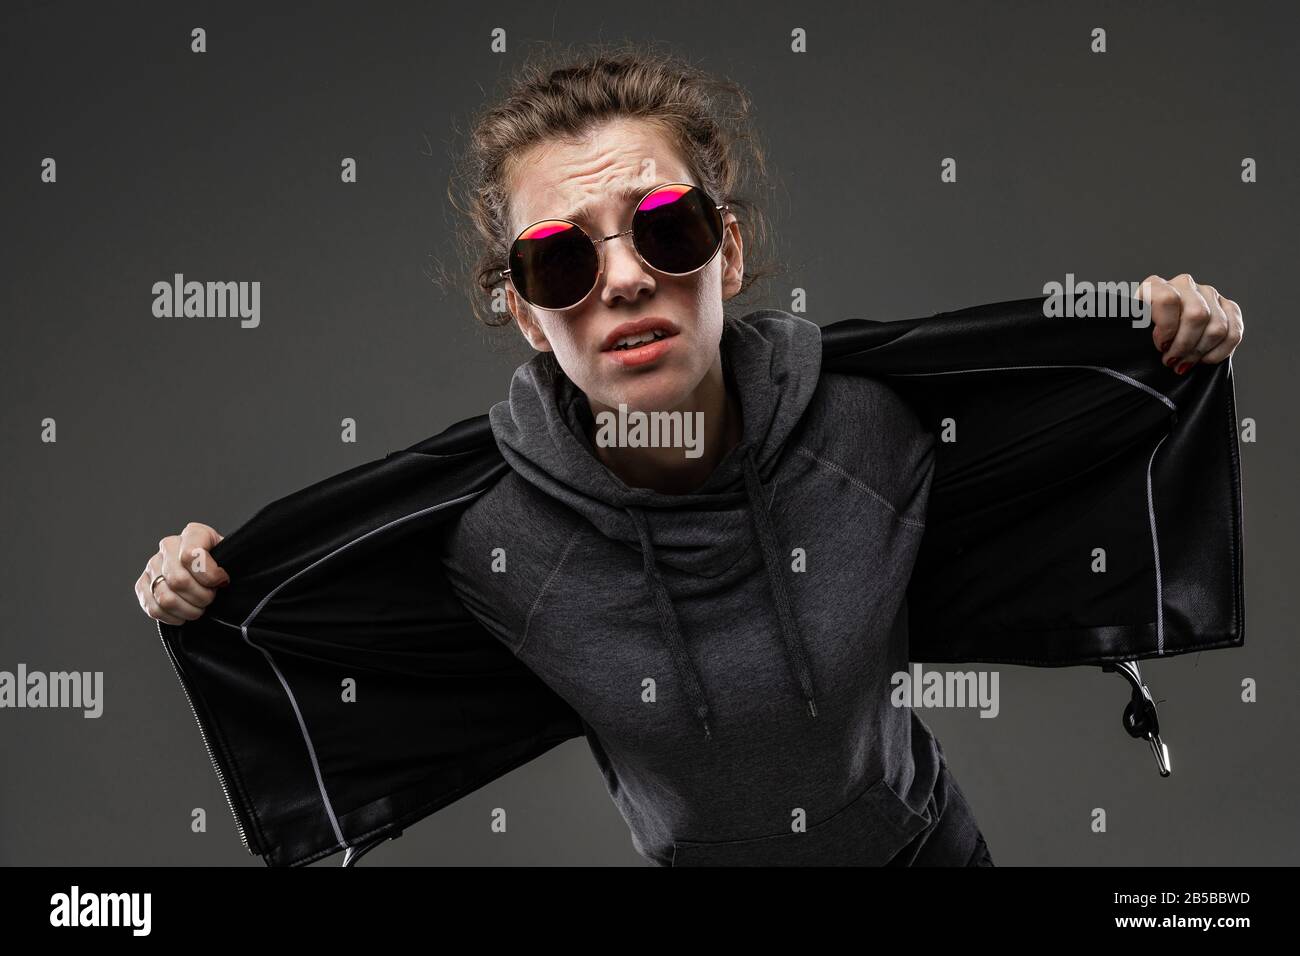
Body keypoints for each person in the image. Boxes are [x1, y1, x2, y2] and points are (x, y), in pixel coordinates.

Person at [134, 43, 1243, 867]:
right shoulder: (486, 546)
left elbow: (1059, 425)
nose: (621, 280)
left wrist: (1160, 339)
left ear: (728, 246)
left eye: (664, 226)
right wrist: (201, 576)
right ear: (523, 313)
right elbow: (304, 617)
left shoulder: (879, 431)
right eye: (561, 260)